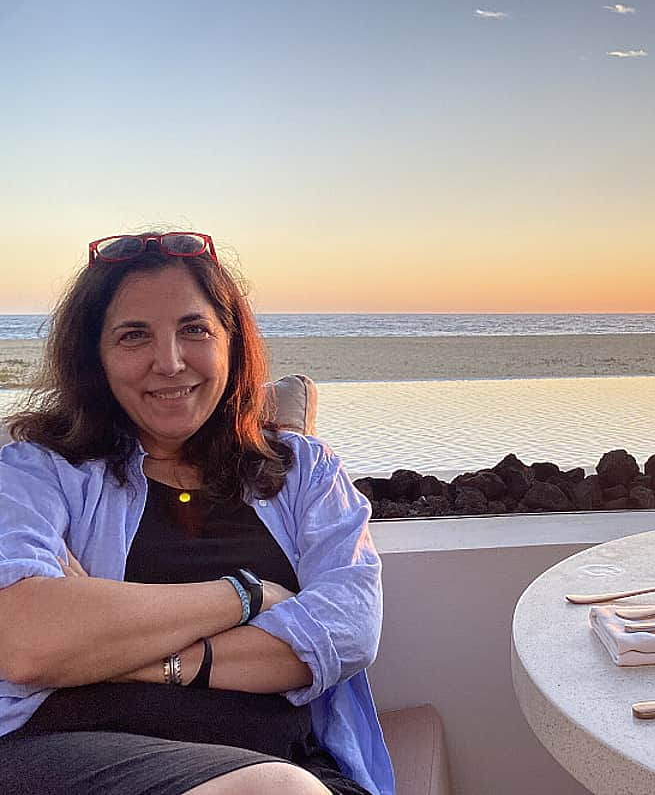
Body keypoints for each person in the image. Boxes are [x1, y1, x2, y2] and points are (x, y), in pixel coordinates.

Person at [0, 232, 394, 795]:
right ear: (96, 357)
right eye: (134, 336)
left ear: (231, 343)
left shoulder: (304, 469)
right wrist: (246, 596)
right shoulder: (37, 473)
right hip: (66, 752)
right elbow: (25, 642)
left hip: (290, 761)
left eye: (194, 330)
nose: (170, 361)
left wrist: (116, 655)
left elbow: (349, 630)